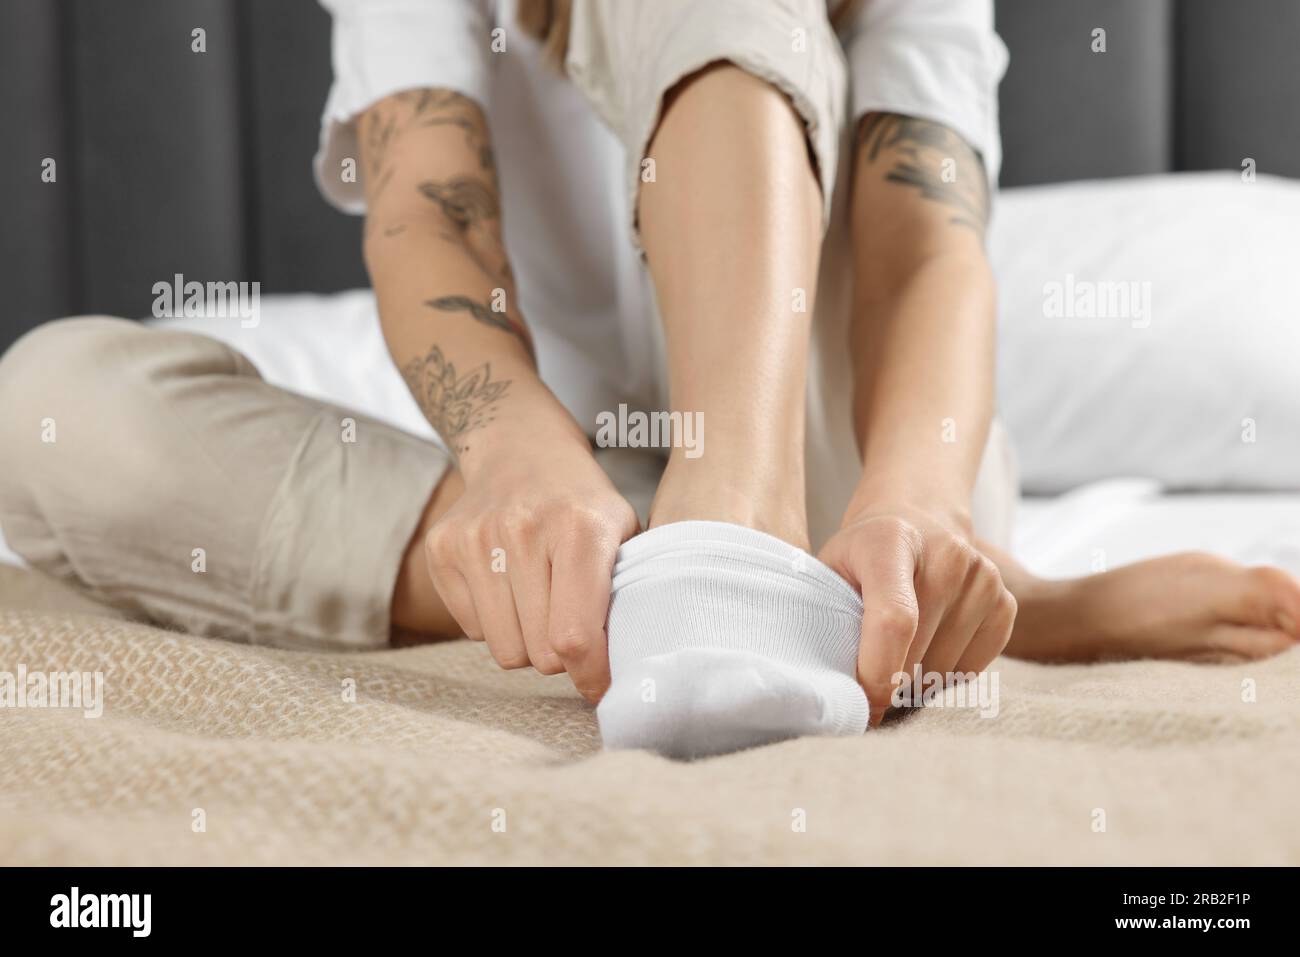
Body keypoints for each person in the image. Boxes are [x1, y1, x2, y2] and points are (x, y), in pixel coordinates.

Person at [0, 0, 1296, 756]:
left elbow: (925, 242)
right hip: (586, 493)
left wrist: (922, 503)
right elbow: (426, 213)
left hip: (869, 497)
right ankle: (662, 587)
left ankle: (752, 539)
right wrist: (515, 458)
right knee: (49, 406)